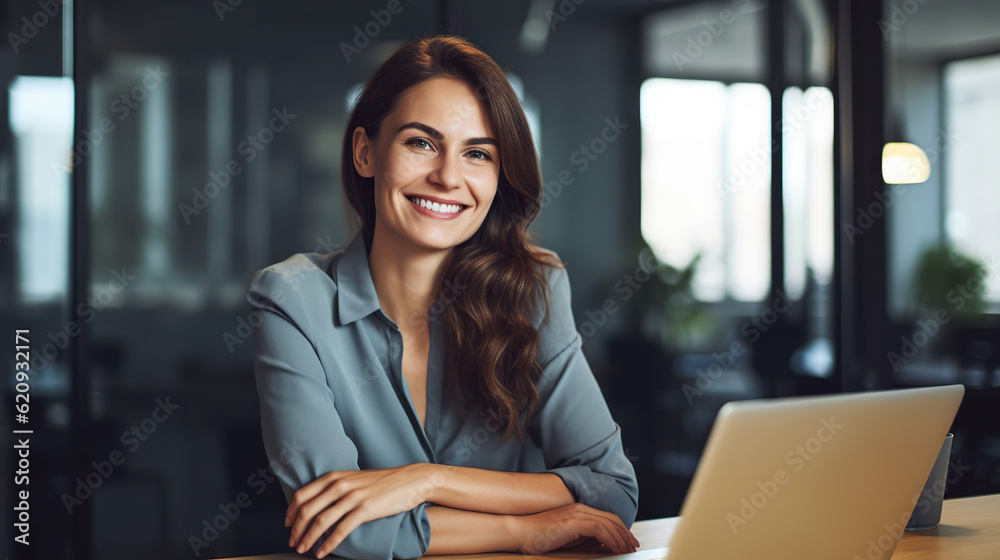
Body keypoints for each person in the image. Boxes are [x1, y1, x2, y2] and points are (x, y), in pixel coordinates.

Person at [245, 34, 638, 560]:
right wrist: (525, 530)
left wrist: (426, 481)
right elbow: (337, 528)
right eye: (421, 143)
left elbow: (612, 489)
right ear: (365, 152)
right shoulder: (293, 301)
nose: (448, 176)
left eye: (477, 154)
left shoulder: (535, 292)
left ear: (499, 178)